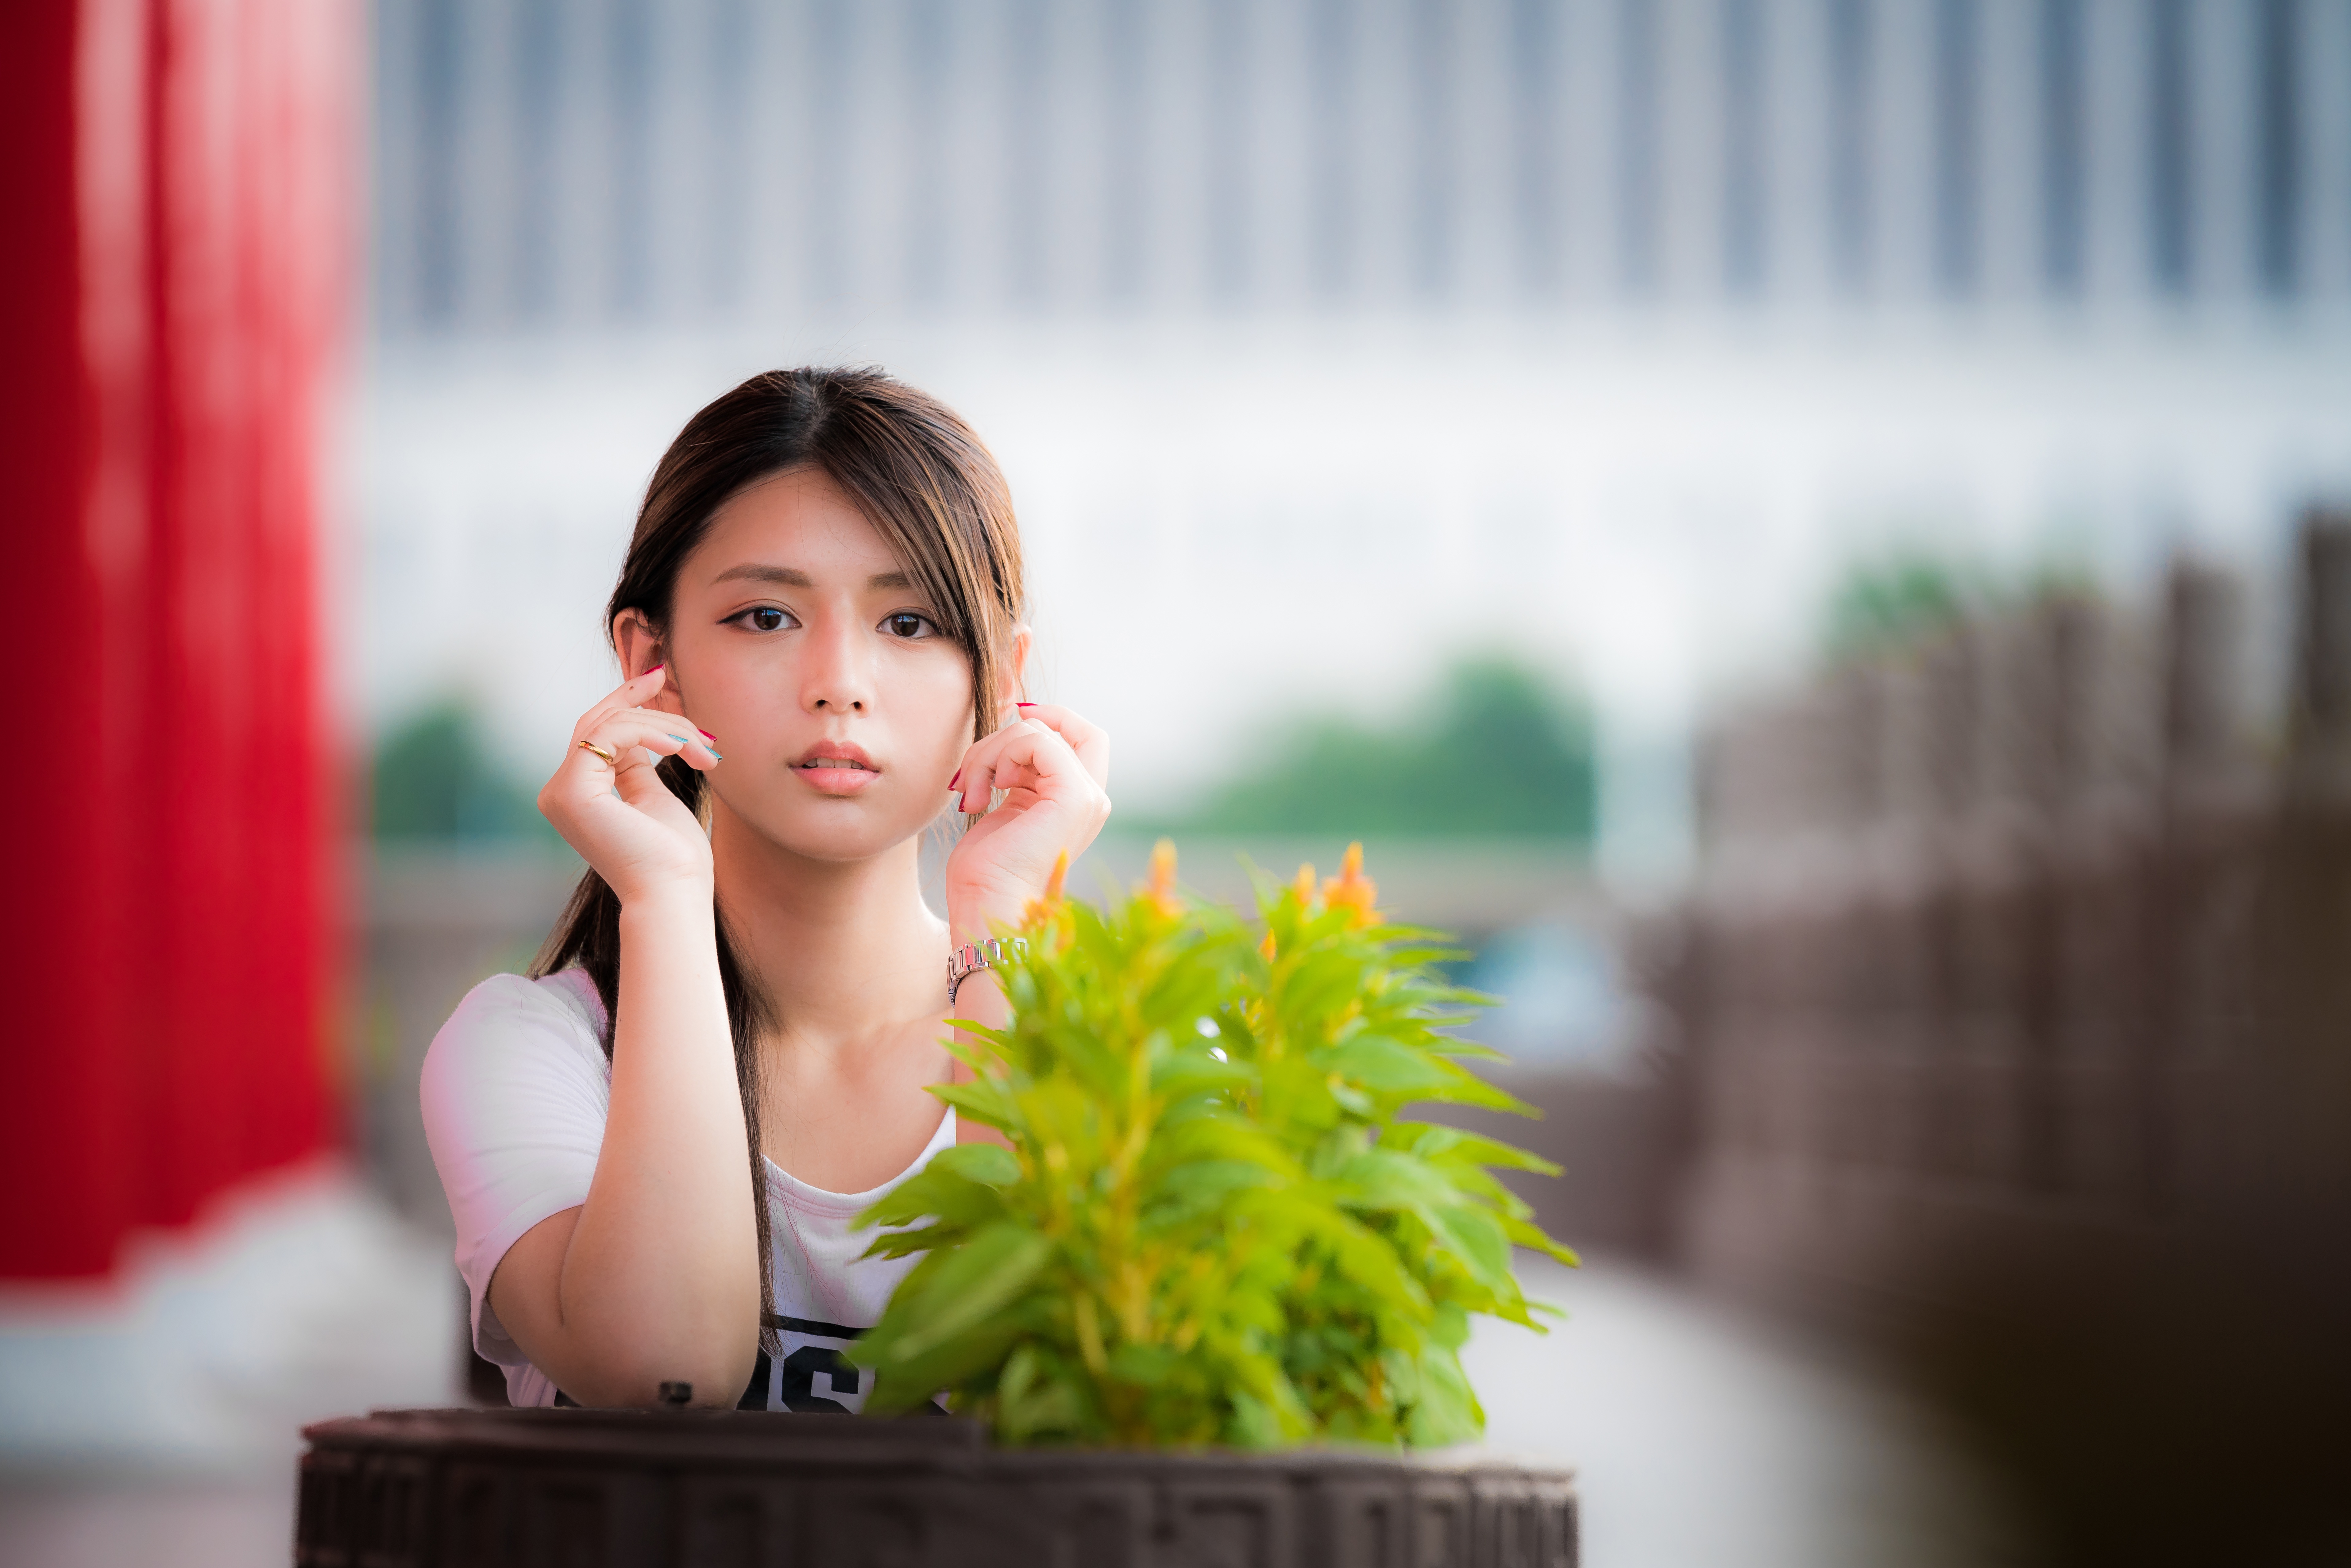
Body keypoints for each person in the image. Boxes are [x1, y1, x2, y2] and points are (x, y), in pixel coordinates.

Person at [420, 368, 1111, 1410]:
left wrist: (1007, 918)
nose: (839, 680)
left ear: (1002, 681)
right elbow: (668, 1379)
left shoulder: (1135, 1051)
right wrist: (658, 897)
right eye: (765, 616)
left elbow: (1069, 1378)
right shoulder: (531, 1051)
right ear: (654, 659)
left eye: (912, 623)